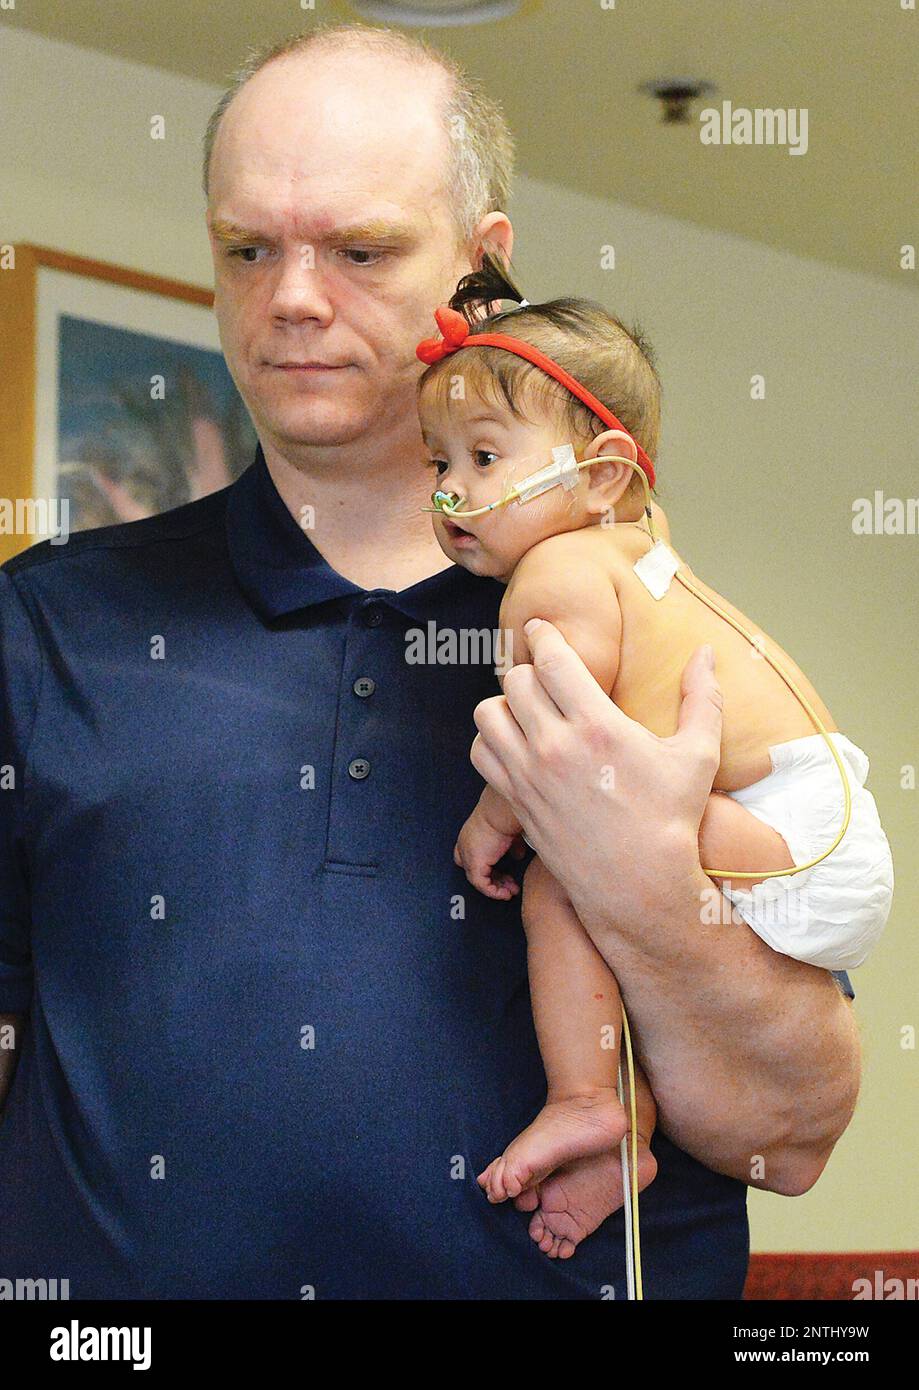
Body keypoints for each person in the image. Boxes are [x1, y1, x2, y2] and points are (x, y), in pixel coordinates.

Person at [0, 24, 860, 1299]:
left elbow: (788, 1135)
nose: (292, 297)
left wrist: (635, 878)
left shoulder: (636, 640)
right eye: (248, 250)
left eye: (361, 250)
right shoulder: (45, 624)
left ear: (483, 269)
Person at [413, 255, 893, 1259]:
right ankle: (612, 1138)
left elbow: (563, 738)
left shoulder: (550, 575)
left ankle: (591, 1100)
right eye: (438, 462)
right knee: (583, 885)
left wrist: (486, 820)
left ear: (599, 475)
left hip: (788, 837)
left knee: (555, 884)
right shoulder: (637, 545)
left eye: (484, 459)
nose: (451, 491)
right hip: (818, 817)